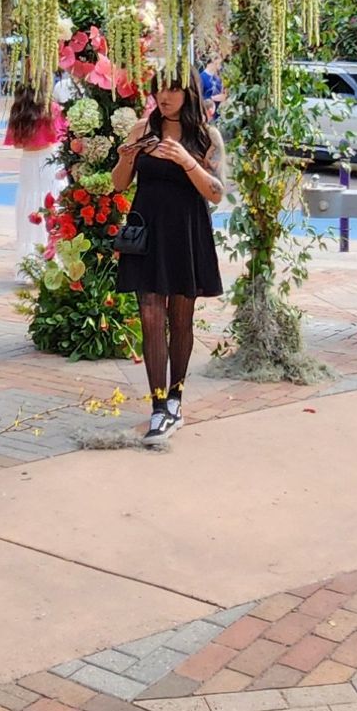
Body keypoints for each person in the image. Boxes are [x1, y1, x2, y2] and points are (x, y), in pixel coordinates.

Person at [111, 62, 227, 443]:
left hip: (186, 232)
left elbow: (216, 192)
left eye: (173, 90)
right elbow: (119, 184)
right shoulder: (143, 128)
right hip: (147, 228)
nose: (164, 97)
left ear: (189, 92)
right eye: (159, 89)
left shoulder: (206, 135)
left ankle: (176, 398)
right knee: (149, 315)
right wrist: (128, 155)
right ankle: (158, 405)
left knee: (180, 318)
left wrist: (185, 160)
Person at [3, 83, 61, 258]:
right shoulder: (50, 109)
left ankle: (29, 256)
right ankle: (50, 254)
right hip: (48, 159)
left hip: (28, 161)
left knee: (29, 203)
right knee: (50, 202)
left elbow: (16, 142)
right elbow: (60, 135)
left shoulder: (18, 110)